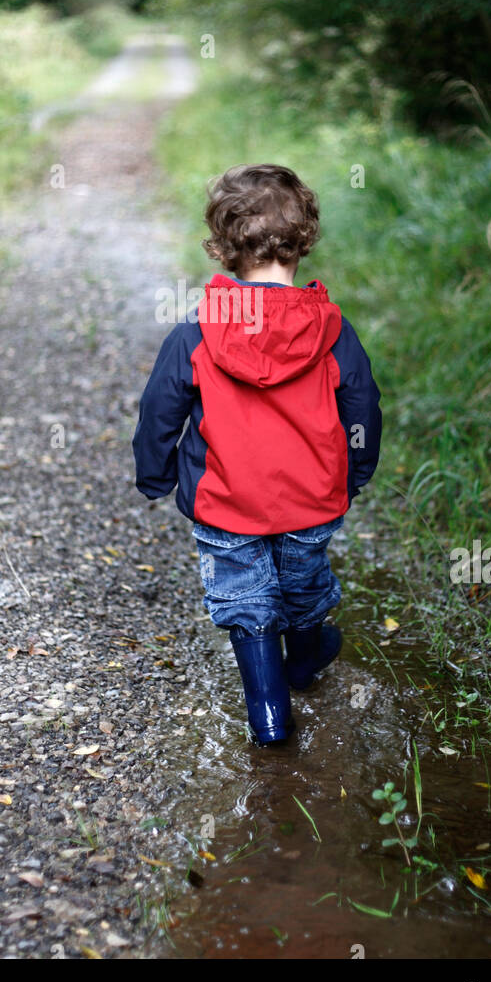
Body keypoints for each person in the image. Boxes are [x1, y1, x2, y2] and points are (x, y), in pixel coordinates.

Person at [132, 163, 381, 745]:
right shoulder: (331, 331)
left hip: (225, 502)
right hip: (312, 501)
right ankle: (308, 654)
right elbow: (362, 408)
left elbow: (159, 412)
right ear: (303, 243)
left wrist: (155, 474)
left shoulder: (195, 332)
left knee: (246, 602)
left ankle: (270, 719)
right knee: (302, 587)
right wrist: (356, 471)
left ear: (222, 247)